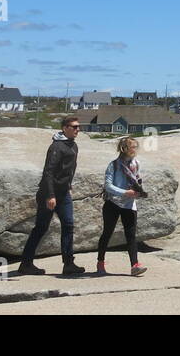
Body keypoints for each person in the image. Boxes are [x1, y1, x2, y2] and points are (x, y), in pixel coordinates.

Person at [17, 115, 84, 276]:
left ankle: (68, 263)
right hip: (49, 194)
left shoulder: (73, 146)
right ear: (65, 128)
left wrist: (68, 186)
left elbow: (68, 170)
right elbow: (48, 172)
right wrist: (50, 195)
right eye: (74, 127)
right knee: (41, 228)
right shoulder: (56, 147)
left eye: (78, 127)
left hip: (63, 194)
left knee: (68, 225)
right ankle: (26, 264)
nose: (77, 130)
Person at [96, 136, 147, 277]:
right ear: (124, 149)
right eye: (132, 147)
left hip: (129, 204)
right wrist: (125, 192)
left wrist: (138, 190)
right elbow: (108, 185)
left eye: (136, 147)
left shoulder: (136, 163)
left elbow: (136, 178)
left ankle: (135, 265)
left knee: (131, 235)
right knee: (107, 233)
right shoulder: (114, 165)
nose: (135, 149)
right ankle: (100, 262)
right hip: (113, 203)